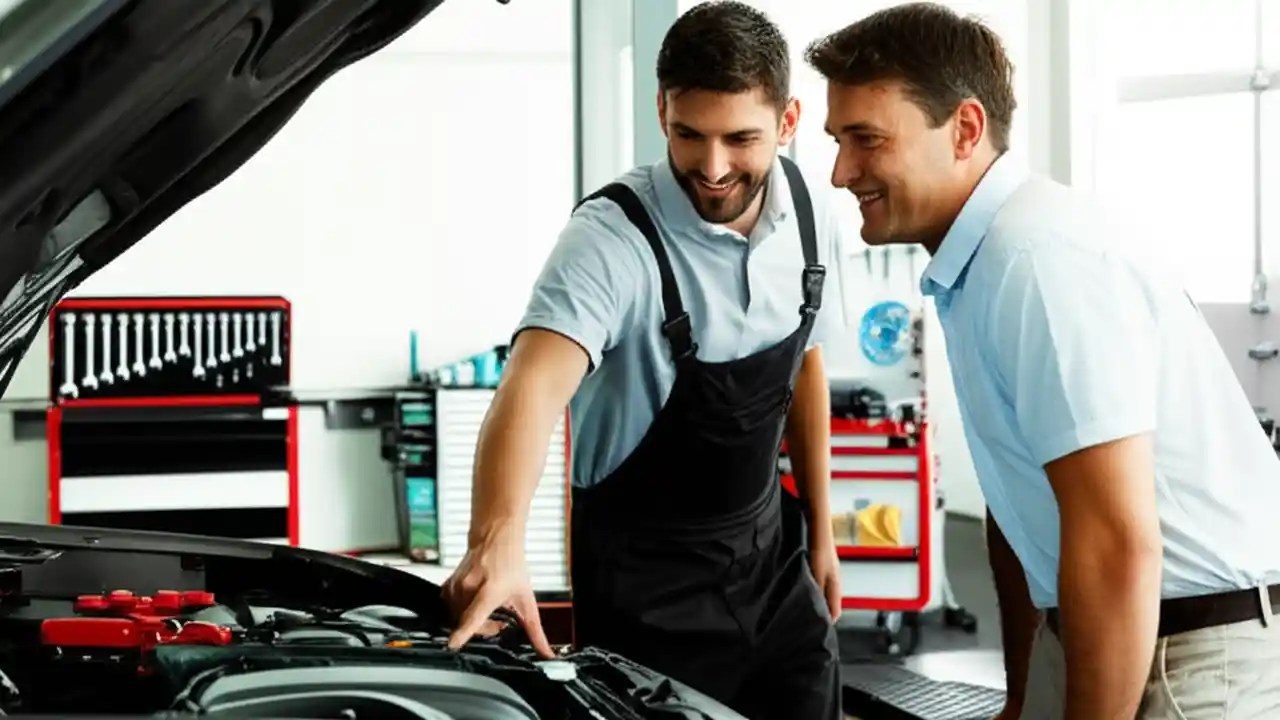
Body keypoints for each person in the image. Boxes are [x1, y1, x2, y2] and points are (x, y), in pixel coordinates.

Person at [805, 3, 1280, 719]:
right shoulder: (980, 266)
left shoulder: (1035, 259)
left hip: (1192, 653)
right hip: (1100, 627)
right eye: (838, 141)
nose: (842, 172)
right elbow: (1019, 503)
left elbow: (1117, 546)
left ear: (965, 129)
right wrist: (1022, 694)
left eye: (867, 139)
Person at [440, 2, 847, 718]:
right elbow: (530, 389)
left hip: (773, 566)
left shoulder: (811, 212)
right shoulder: (609, 239)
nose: (713, 168)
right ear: (662, 110)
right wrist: (496, 539)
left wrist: (824, 529)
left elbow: (805, 364)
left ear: (788, 121)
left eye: (740, 139)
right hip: (647, 595)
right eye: (690, 134)